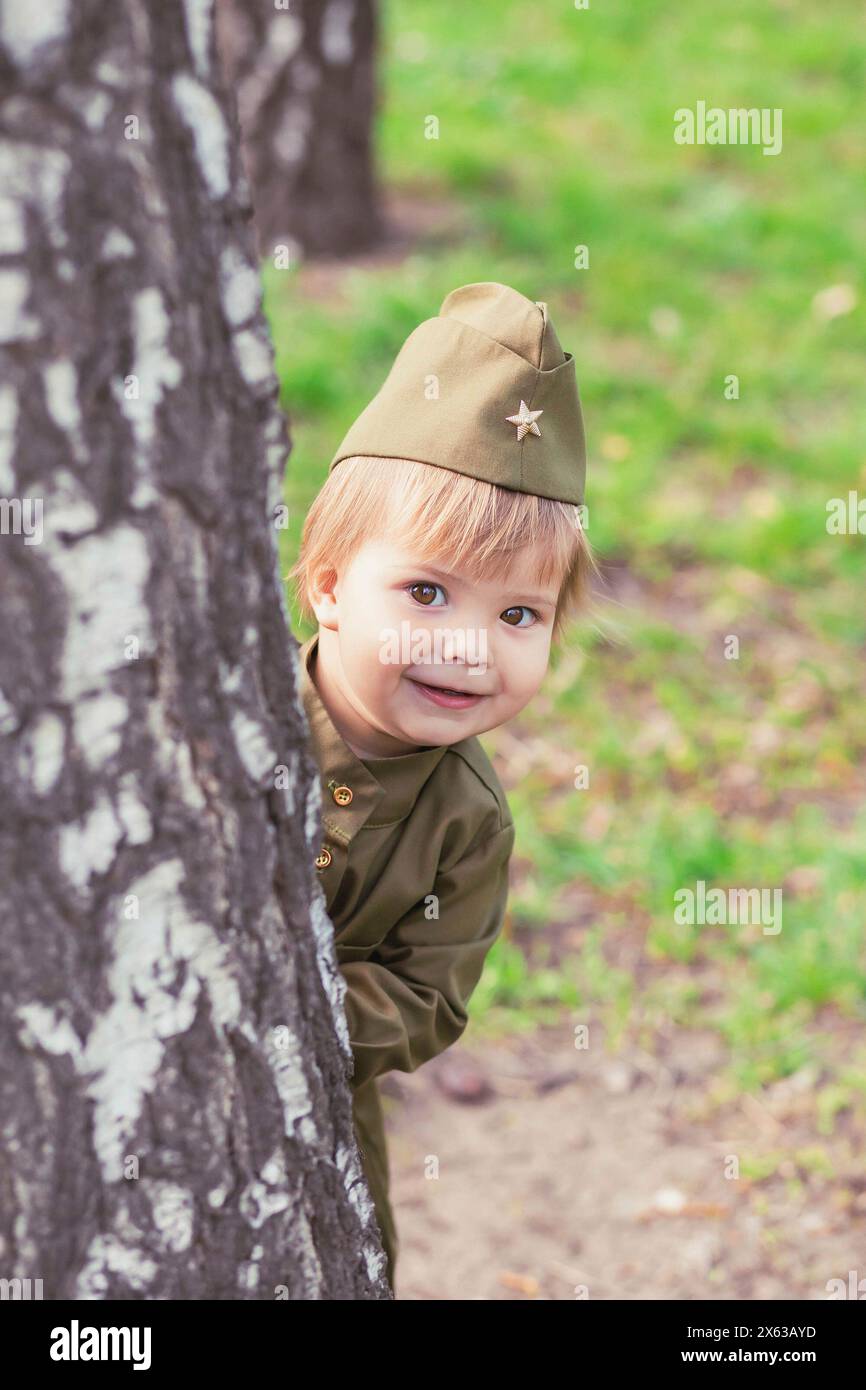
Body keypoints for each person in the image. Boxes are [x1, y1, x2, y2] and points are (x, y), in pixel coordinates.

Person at [289, 281, 596, 1293]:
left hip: (305, 1110)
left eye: (518, 615)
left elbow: (428, 994)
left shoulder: (466, 819)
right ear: (329, 583)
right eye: (426, 591)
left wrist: (291, 1015)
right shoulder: (230, 725)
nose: (469, 647)